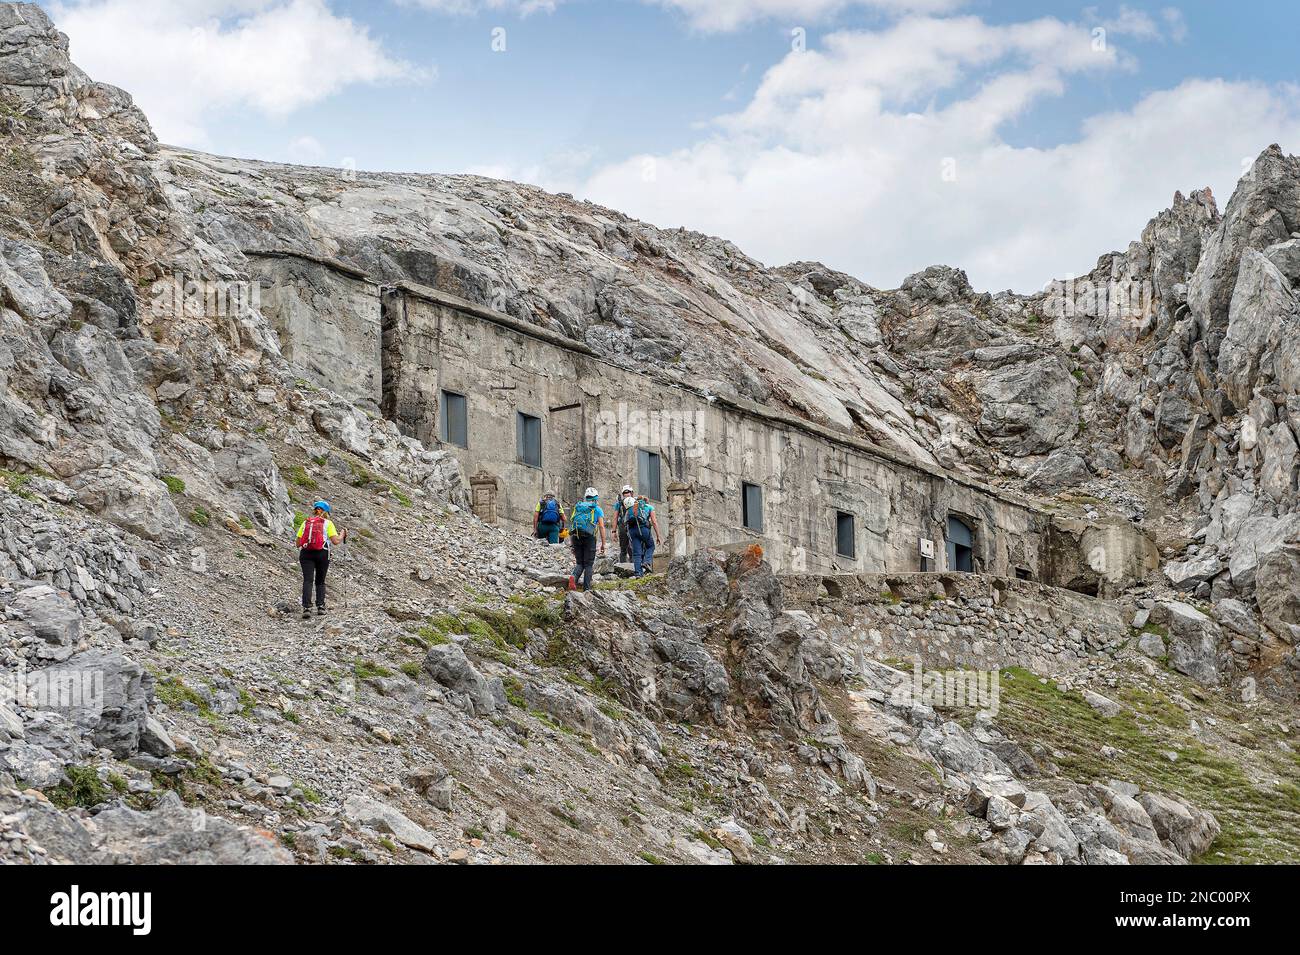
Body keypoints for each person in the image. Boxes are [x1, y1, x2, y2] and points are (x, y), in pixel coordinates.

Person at [296, 500, 346, 619]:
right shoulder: (328, 523)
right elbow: (335, 541)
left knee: (308, 580)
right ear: (326, 512)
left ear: (315, 510)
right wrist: (343, 534)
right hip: (322, 553)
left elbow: (298, 543)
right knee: (320, 580)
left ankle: (306, 608)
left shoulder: (306, 522)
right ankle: (320, 607)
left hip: (306, 553)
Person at [567, 487, 606, 592]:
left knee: (580, 563)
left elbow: (573, 524)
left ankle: (574, 578)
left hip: (576, 536)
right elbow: (601, 527)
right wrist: (603, 543)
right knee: (588, 564)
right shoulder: (597, 509)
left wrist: (572, 543)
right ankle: (587, 590)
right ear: (596, 498)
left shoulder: (578, 507)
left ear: (585, 497)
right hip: (589, 537)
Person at [624, 493, 662, 577]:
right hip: (643, 529)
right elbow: (654, 522)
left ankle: (638, 574)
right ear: (646, 501)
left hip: (632, 531)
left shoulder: (630, 509)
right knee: (651, 546)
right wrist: (658, 535)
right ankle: (647, 562)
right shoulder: (649, 507)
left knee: (637, 553)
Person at [614, 485, 634, 562]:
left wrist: (614, 531)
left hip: (622, 527)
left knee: (623, 550)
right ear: (632, 493)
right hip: (633, 527)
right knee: (632, 549)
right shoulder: (635, 502)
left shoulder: (619, 503)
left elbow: (615, 517)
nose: (626, 494)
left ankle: (622, 568)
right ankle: (634, 569)